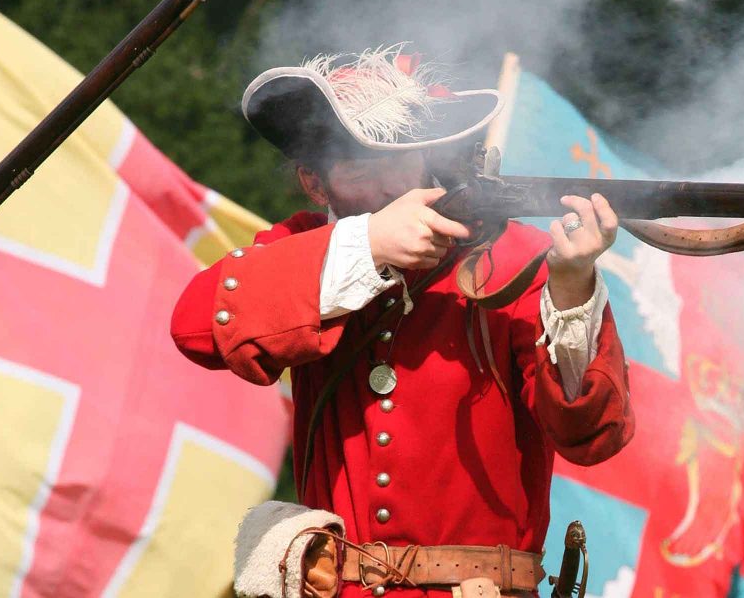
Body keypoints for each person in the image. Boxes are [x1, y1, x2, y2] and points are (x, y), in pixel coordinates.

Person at [170, 47, 635, 597]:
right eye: (362, 168)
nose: (392, 184)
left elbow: (591, 436)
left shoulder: (516, 260)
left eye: (401, 159)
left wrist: (574, 283)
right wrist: (367, 246)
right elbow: (196, 326)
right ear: (315, 185)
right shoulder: (304, 250)